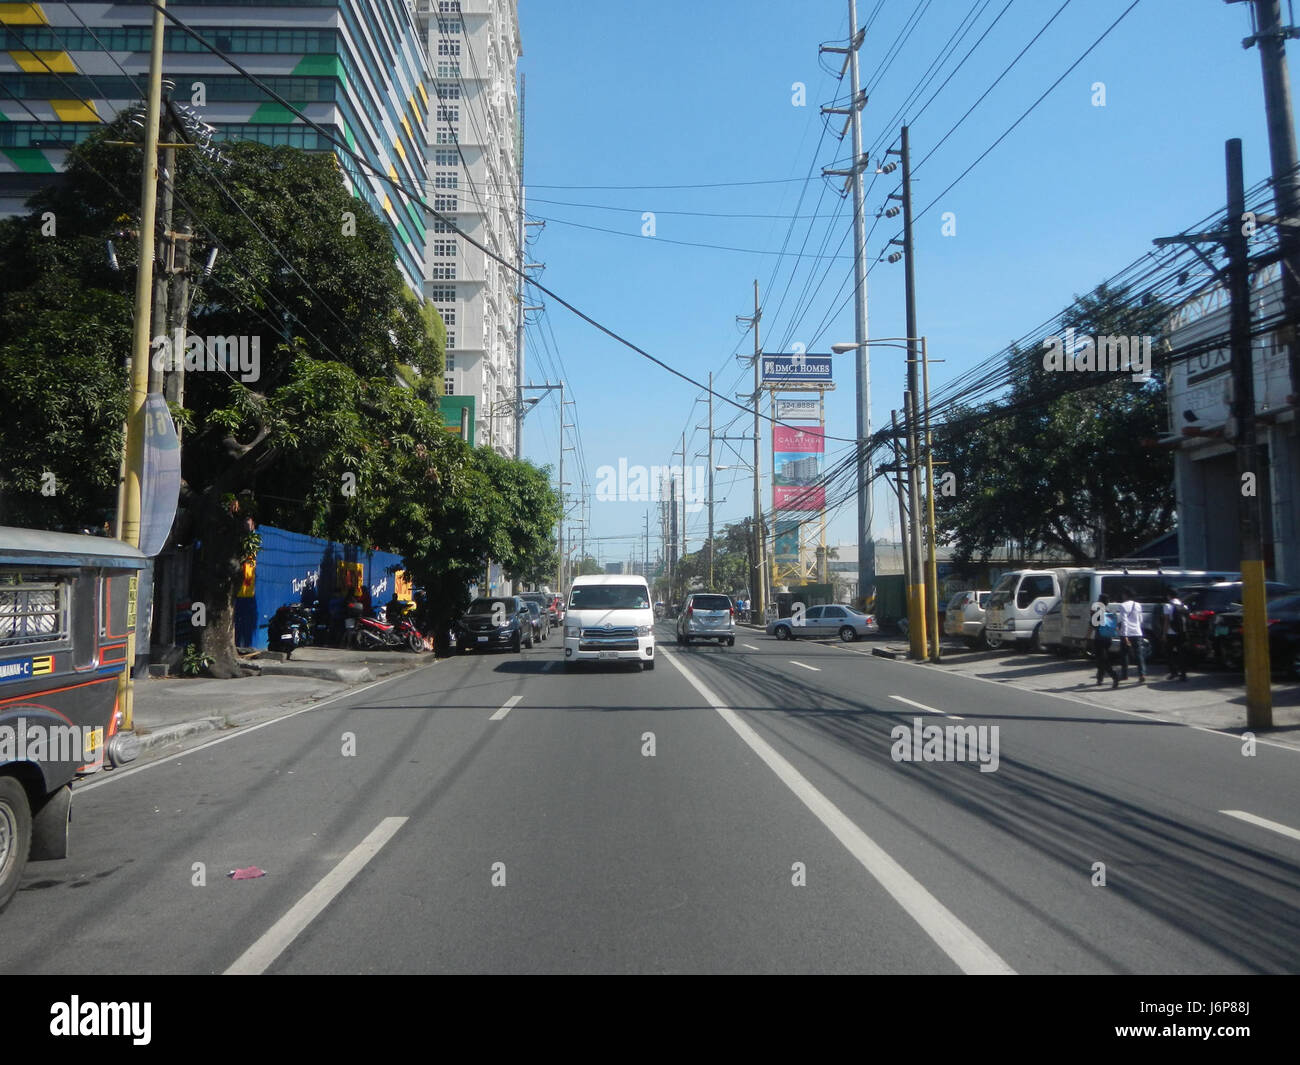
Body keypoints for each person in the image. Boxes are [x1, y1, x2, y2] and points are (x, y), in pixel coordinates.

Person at [1117, 587, 1146, 683]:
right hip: (1137, 632)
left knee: (1124, 654)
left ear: (1125, 595)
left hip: (1127, 633)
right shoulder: (1138, 605)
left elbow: (1124, 621)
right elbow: (1140, 619)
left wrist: (1124, 635)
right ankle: (1142, 674)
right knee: (1139, 654)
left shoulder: (1123, 605)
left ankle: (1124, 675)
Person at [1090, 595, 1119, 688]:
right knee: (1101, 659)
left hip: (1099, 639)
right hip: (1108, 639)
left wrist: (1086, 637)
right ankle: (1099, 678)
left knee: (1102, 660)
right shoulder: (1108, 612)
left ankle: (1114, 676)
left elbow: (1093, 626)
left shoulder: (1098, 612)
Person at [1163, 589, 1189, 681]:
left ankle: (1173, 672)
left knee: (1169, 653)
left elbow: (1166, 621)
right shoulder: (1183, 605)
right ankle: (1183, 674)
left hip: (1171, 633)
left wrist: (1164, 634)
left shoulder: (1167, 606)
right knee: (1181, 654)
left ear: (1169, 596)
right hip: (1182, 632)